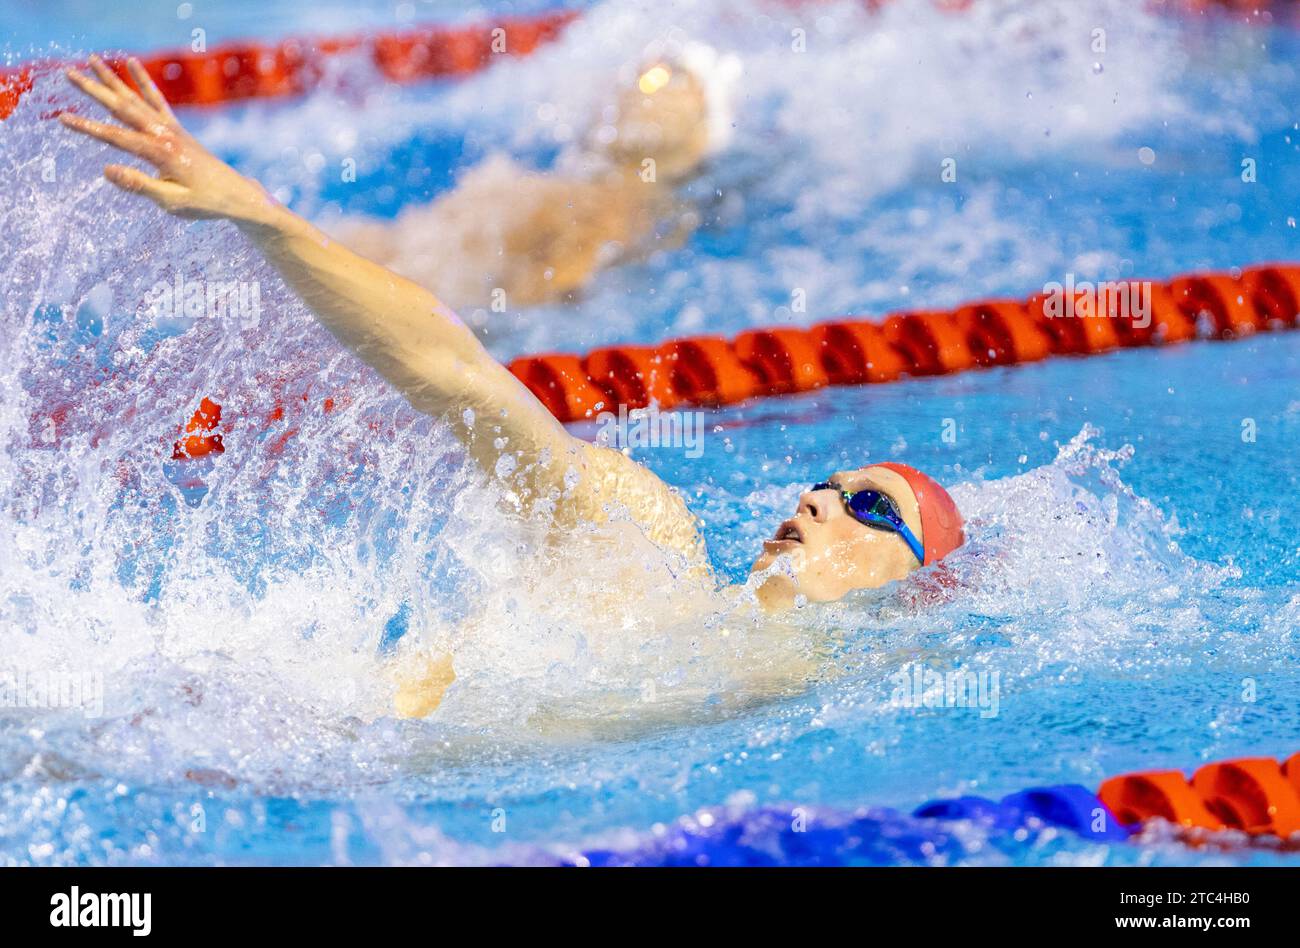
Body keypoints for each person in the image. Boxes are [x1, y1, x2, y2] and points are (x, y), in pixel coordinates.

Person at [59, 55, 965, 717]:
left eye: (870, 508)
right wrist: (257, 211)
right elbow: (459, 376)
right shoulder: (637, 541)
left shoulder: (844, 690)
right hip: (249, 729)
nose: (818, 498)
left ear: (913, 587)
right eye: (832, 485)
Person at [332, 45, 741, 315]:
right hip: (404, 284)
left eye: (664, 79)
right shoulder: (616, 202)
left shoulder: (589, 195)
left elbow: (537, 290)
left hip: (392, 266)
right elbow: (538, 297)